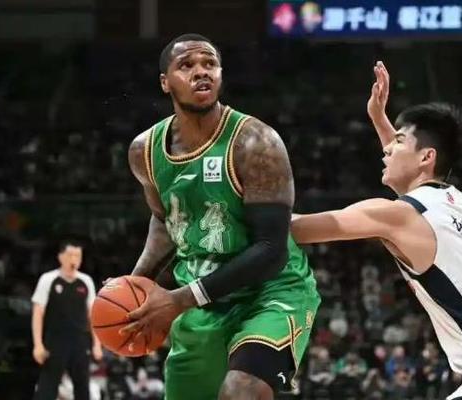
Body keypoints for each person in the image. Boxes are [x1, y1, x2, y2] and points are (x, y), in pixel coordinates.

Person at [291, 61, 462, 399]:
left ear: (427, 157)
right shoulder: (458, 201)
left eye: (399, 142)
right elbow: (413, 181)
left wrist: (235, 211)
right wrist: (380, 120)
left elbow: (298, 228)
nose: (387, 149)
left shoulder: (398, 216)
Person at [119, 33, 320, 399]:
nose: (201, 72)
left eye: (209, 64)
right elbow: (165, 221)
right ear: (165, 82)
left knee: (241, 389)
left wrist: (178, 299)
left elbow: (271, 249)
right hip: (202, 301)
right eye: (187, 65)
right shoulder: (144, 151)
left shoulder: (256, 142)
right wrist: (136, 287)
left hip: (270, 292)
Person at [31, 239, 103, 400]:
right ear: (60, 257)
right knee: (46, 389)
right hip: (55, 342)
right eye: (70, 255)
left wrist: (97, 344)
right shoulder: (48, 279)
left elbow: (92, 315)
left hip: (80, 342)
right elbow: (38, 313)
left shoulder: (86, 281)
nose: (74, 259)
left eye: (78, 256)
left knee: (83, 389)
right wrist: (38, 345)